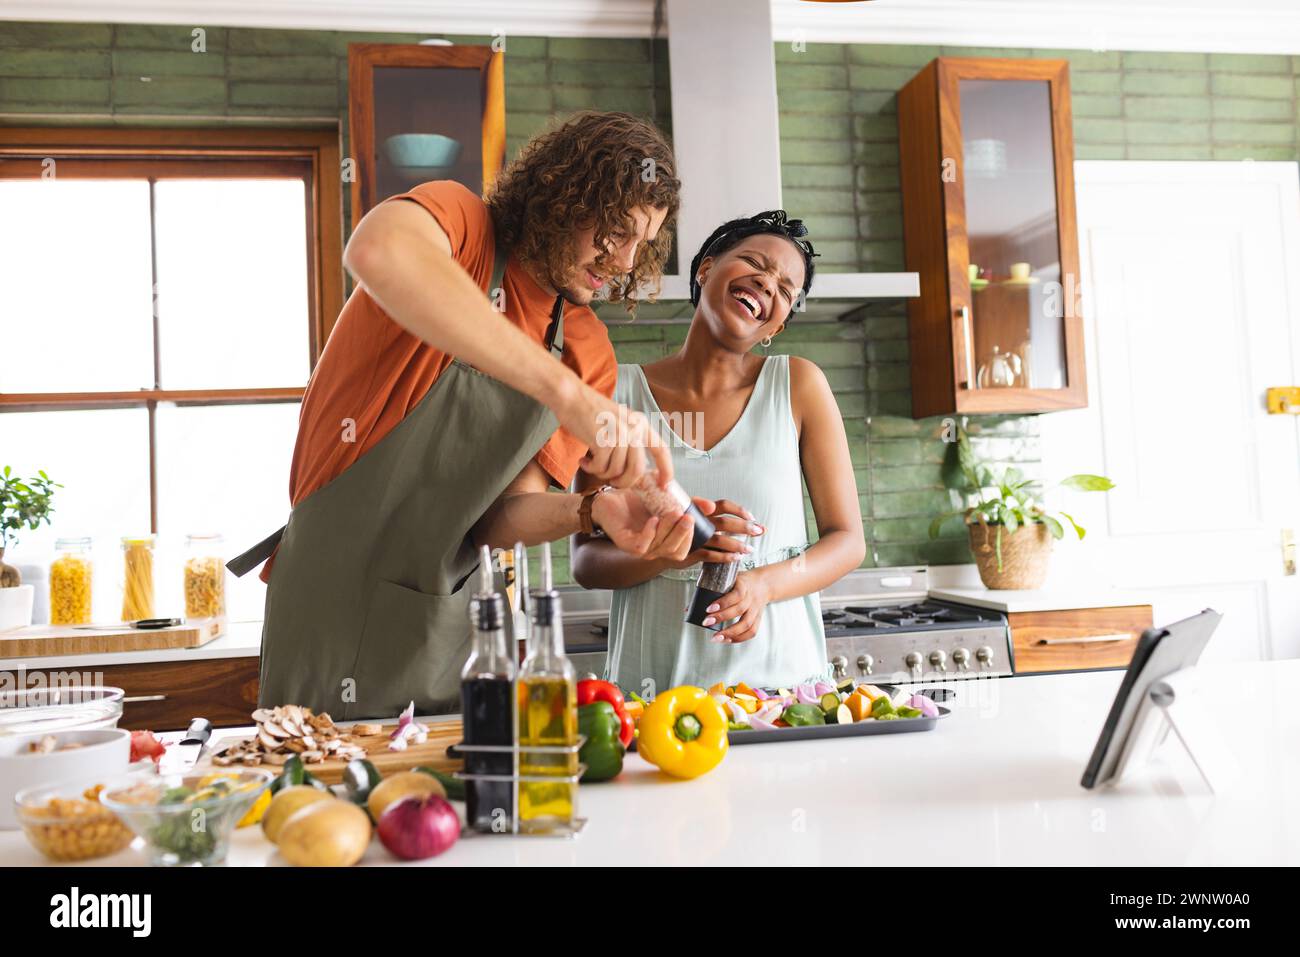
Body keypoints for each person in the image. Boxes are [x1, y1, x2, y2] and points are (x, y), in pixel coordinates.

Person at [230, 111, 709, 718]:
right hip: (331, 605)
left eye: (642, 243)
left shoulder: (585, 349)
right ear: (562, 196)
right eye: (614, 230)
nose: (622, 261)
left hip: (452, 626)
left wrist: (592, 510)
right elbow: (378, 250)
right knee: (323, 801)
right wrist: (566, 396)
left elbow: (497, 520)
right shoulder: (461, 229)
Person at [572, 211, 866, 693]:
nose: (768, 284)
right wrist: (672, 553)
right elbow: (586, 562)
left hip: (778, 692)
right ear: (706, 269)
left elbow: (848, 540)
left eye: (786, 289)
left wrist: (765, 585)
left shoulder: (798, 385)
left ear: (778, 325)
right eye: (754, 262)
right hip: (652, 693)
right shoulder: (614, 393)